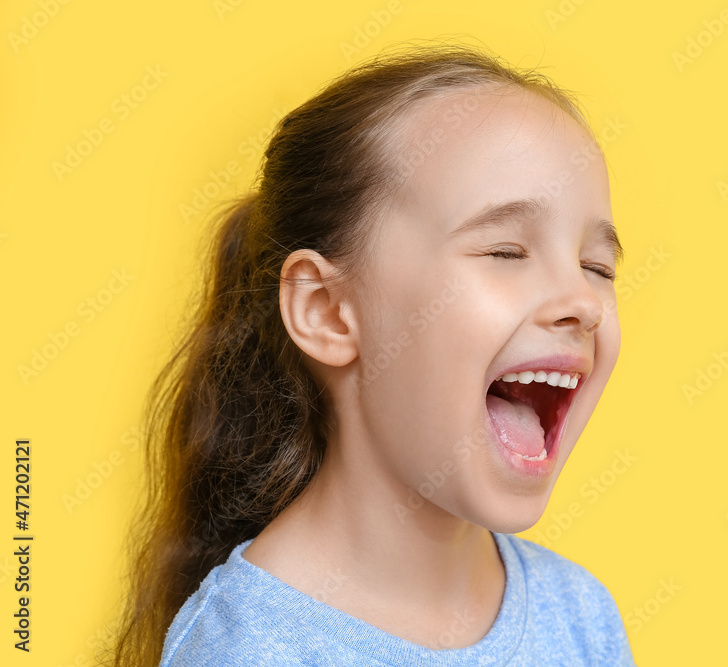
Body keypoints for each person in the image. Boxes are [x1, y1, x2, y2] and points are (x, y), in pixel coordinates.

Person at [106, 42, 634, 666]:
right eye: (505, 252)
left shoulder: (579, 613)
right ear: (327, 310)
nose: (584, 300)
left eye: (596, 266)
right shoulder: (249, 649)